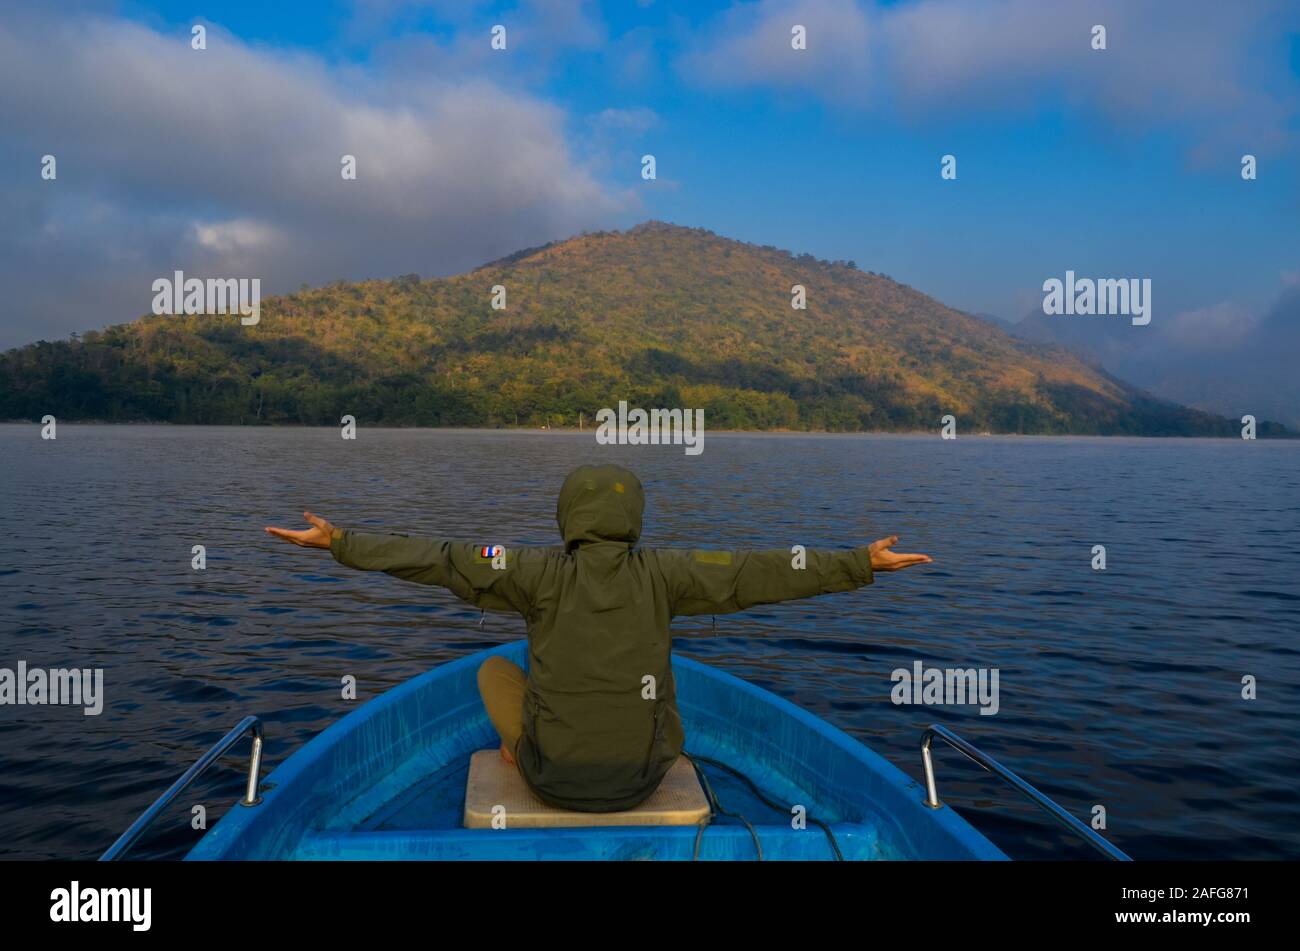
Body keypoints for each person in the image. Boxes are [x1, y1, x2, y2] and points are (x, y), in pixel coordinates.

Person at [265, 463, 931, 813]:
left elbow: (439, 555)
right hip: (642, 781)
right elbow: (763, 571)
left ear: (568, 516)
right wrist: (860, 562)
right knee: (665, 686)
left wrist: (340, 542)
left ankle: (514, 749)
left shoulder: (529, 571)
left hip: (549, 778)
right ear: (633, 517)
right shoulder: (670, 574)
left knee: (496, 670)